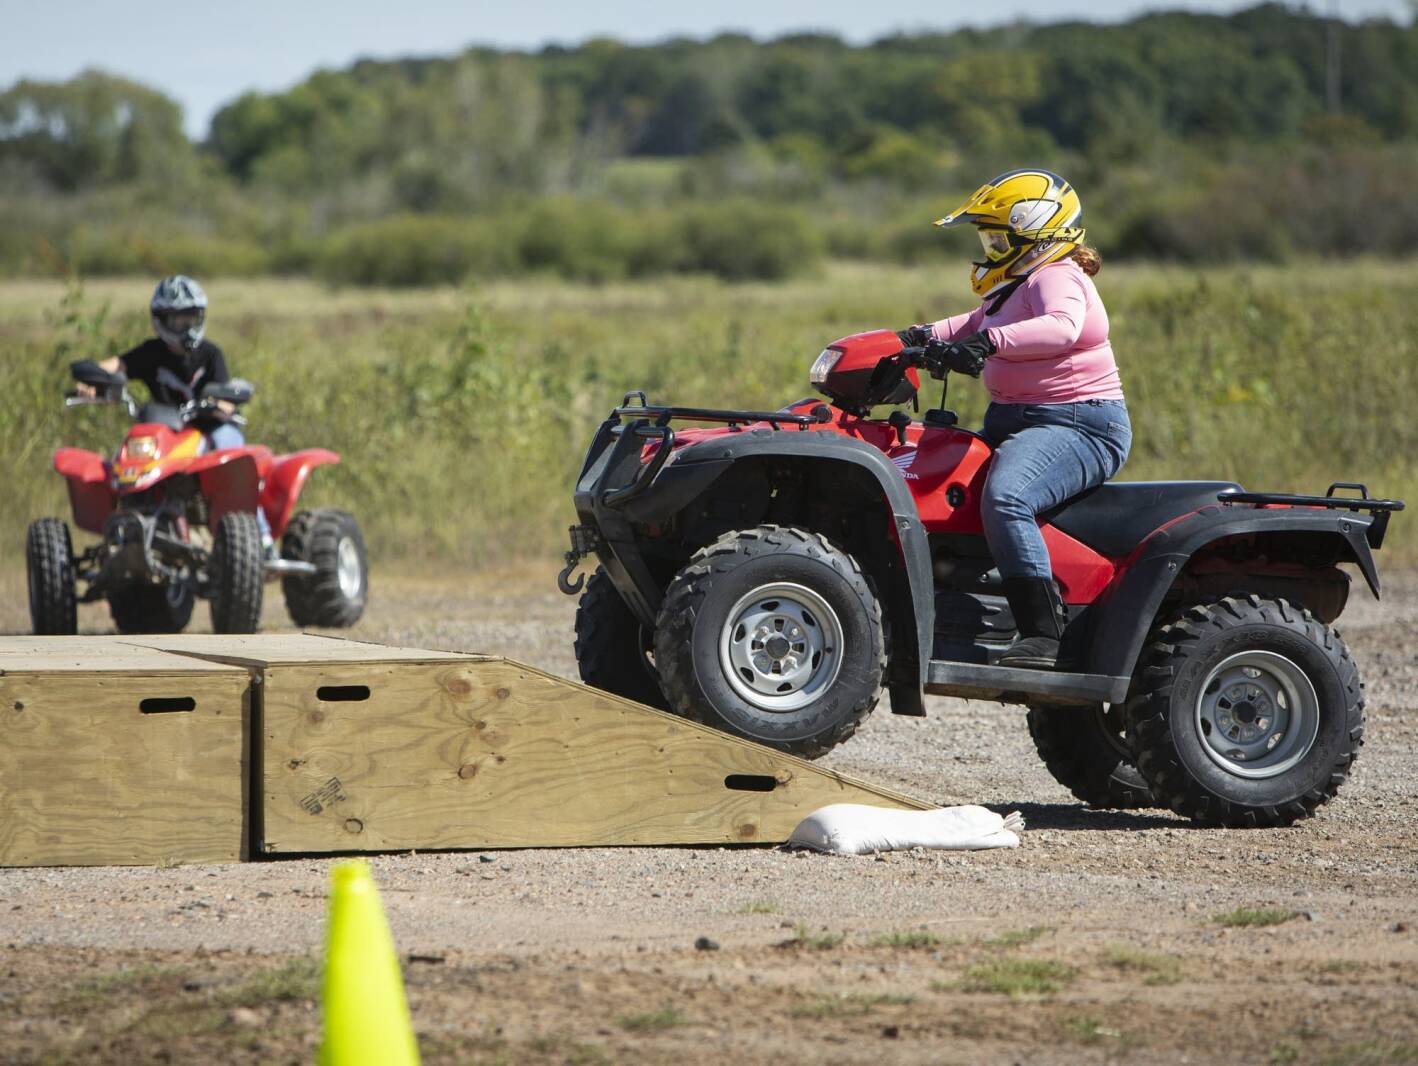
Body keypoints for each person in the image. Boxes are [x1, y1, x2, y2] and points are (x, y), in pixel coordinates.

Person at [897, 169, 1130, 670]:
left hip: (1079, 425)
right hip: (1016, 420)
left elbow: (1062, 327)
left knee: (1008, 498)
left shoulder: (1057, 275)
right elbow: (970, 323)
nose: (990, 249)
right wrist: (911, 338)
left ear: (1035, 234)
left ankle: (1043, 635)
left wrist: (989, 343)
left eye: (998, 239)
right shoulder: (1015, 285)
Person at [79, 275, 246, 451]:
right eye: (179, 321)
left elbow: (226, 399)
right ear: (161, 320)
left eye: (192, 318)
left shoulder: (211, 354)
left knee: (226, 445)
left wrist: (219, 406)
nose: (188, 328)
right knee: (128, 453)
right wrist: (90, 380)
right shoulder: (151, 352)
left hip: (211, 428)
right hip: (165, 431)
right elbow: (115, 366)